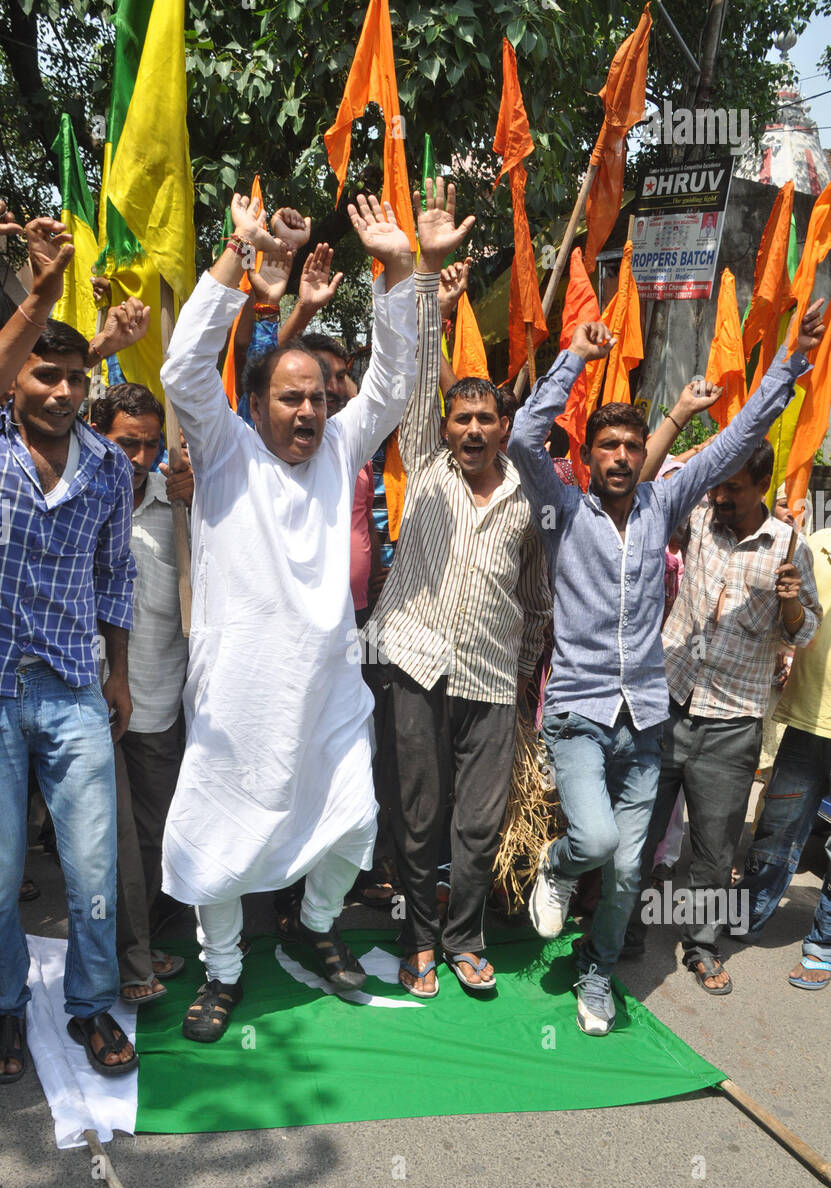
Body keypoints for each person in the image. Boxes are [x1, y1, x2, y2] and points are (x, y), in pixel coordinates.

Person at [508, 300, 825, 1035]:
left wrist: (789, 358)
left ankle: (596, 972)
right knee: (593, 843)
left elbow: (736, 438)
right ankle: (557, 869)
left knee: (627, 870)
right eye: (607, 447)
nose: (621, 457)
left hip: (646, 720)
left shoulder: (660, 506)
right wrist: (575, 359)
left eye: (629, 446)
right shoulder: (560, 510)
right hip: (579, 715)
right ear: (587, 459)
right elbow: (524, 434)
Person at [159, 187, 417, 1041]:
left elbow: (394, 381)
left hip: (329, 691)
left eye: (316, 398)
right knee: (223, 835)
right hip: (238, 693)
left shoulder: (343, 444)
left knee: (353, 822)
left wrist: (398, 273)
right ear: (258, 404)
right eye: (289, 398)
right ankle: (224, 973)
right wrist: (238, 254)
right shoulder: (227, 450)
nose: (308, 411)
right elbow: (183, 368)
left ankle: (314, 926)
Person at [0, 212, 144, 1081]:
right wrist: (35, 284)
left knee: (91, 871)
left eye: (77, 379)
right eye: (46, 374)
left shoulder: (111, 467)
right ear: (12, 380)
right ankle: (2, 1010)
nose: (64, 392)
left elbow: (118, 576)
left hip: (75, 686)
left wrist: (116, 676)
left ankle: (89, 1007)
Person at [364, 178, 550, 997]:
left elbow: (535, 601)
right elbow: (412, 370)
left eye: (486, 420)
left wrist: (524, 688)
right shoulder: (425, 466)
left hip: (488, 678)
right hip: (410, 662)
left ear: (504, 429)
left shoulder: (526, 498)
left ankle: (466, 936)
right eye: (460, 418)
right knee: (415, 818)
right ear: (443, 428)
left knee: (475, 827)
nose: (472, 429)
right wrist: (429, 274)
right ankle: (418, 941)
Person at [629, 440, 821, 993]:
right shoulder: (698, 515)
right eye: (719, 483)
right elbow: (651, 486)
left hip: (733, 720)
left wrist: (789, 601)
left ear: (762, 487)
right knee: (638, 831)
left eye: (734, 487)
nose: (722, 495)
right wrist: (708, 442)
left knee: (713, 849)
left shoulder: (788, 545)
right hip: (668, 699)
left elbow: (803, 631)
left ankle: (701, 944)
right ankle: (625, 932)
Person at [91, 383, 194, 1002]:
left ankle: (140, 938)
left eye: (151, 445)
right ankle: (127, 962)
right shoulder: (74, 500)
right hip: (85, 695)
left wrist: (195, 496)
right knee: (108, 838)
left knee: (156, 833)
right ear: (97, 433)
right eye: (127, 443)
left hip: (157, 697)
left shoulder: (177, 503)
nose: (140, 457)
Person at [740, 525, 831, 989]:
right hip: (810, 718)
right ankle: (745, 917)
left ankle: (823, 945)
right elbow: (795, 621)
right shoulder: (817, 545)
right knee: (777, 828)